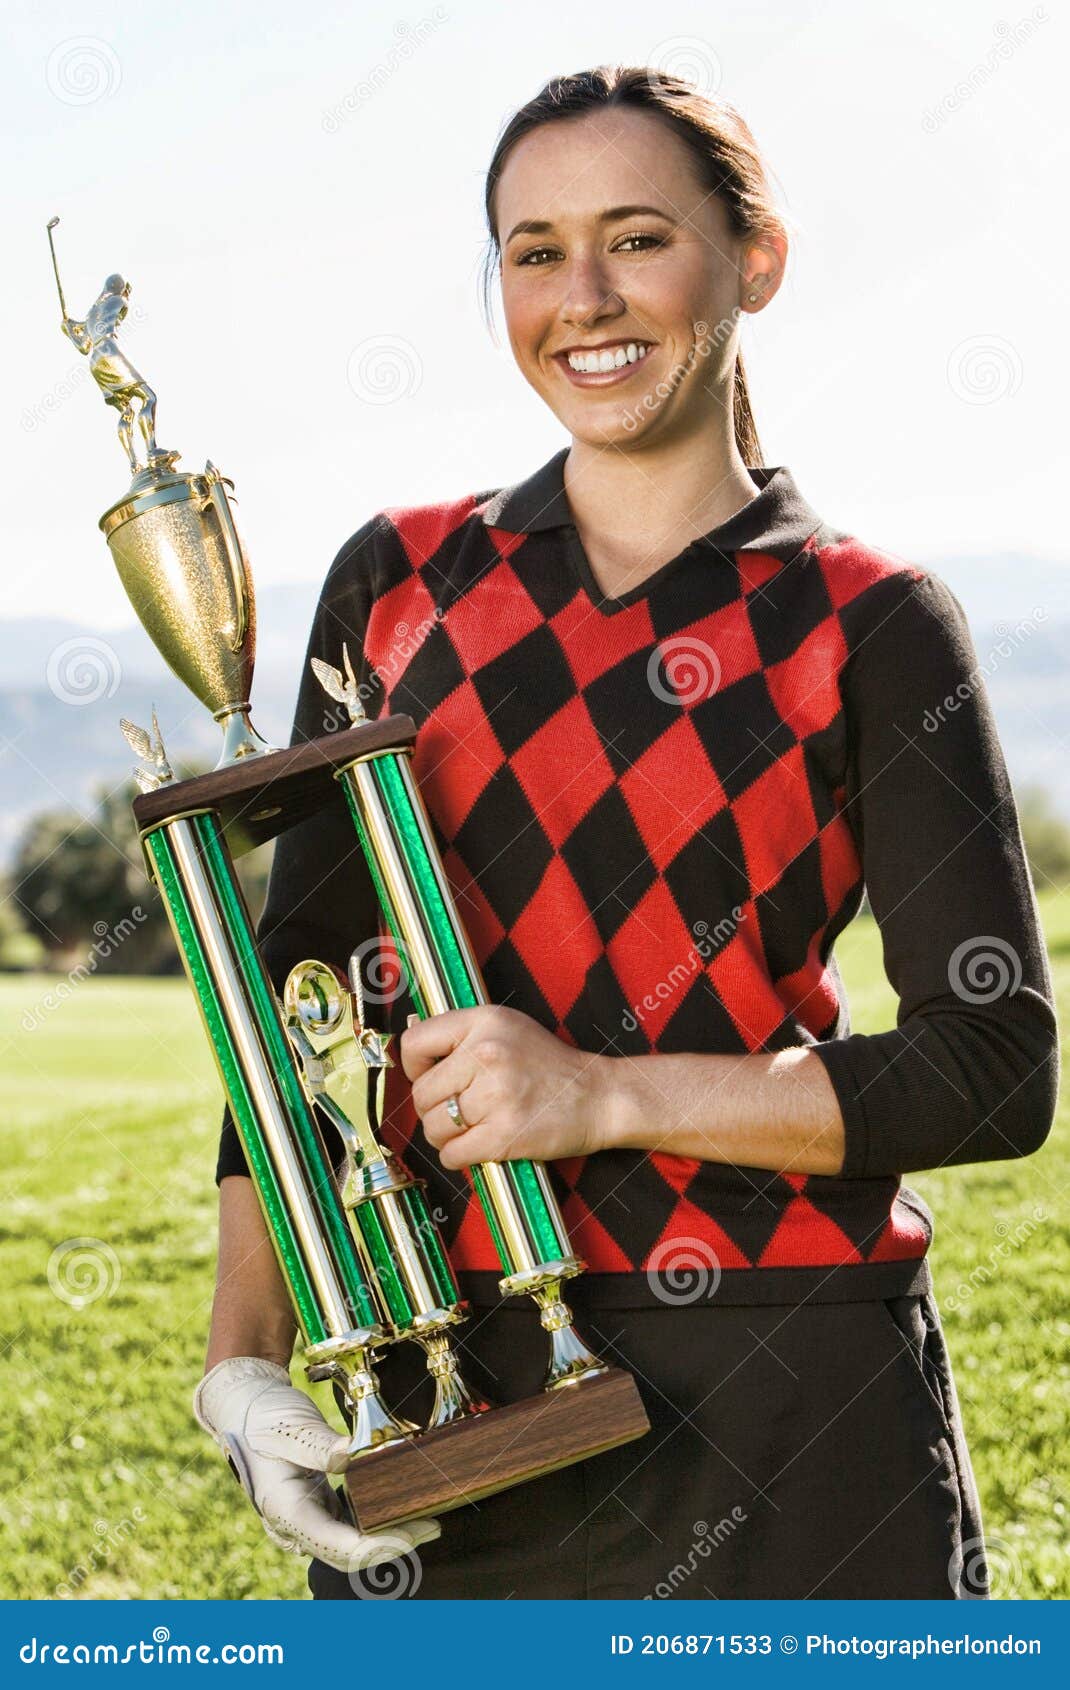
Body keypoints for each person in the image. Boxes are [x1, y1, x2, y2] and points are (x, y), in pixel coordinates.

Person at [193, 65, 1059, 1600]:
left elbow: (990, 1066)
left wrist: (595, 1093)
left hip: (797, 1416)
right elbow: (292, 997)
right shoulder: (395, 582)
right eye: (534, 252)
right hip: (450, 1406)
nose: (582, 297)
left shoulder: (869, 618)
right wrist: (246, 1362)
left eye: (637, 238)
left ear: (754, 260)